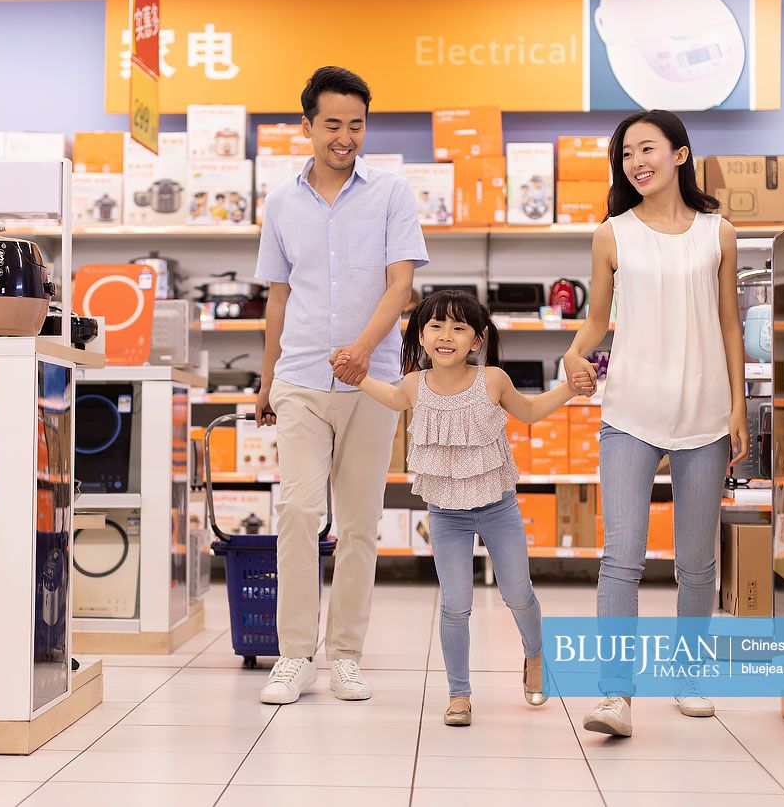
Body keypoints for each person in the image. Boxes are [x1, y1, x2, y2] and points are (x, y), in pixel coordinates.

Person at [563, 110, 748, 738]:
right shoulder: (612, 234)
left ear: (680, 154)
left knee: (697, 564)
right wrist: (572, 355)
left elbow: (729, 324)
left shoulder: (718, 233)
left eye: (648, 148)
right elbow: (595, 323)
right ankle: (616, 694)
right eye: (626, 154)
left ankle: (690, 677)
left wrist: (739, 407)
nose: (636, 161)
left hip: (704, 410)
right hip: (631, 412)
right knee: (621, 559)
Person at [253, 66, 429, 705]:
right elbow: (277, 295)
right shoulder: (280, 202)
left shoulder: (391, 194)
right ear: (307, 127)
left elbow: (401, 283)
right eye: (332, 124)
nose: (345, 137)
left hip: (373, 382)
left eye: (356, 125)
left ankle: (347, 655)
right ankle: (294, 654)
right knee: (299, 511)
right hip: (300, 377)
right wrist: (266, 378)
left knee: (358, 523)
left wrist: (360, 351)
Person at [339, 290, 593, 726]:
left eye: (459, 327)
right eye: (435, 326)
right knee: (455, 605)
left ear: (476, 341)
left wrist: (569, 388)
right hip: (446, 514)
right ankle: (459, 694)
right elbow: (389, 396)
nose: (445, 335)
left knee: (518, 592)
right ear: (421, 336)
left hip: (498, 507)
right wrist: (356, 376)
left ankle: (535, 654)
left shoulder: (492, 379)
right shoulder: (414, 385)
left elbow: (529, 412)